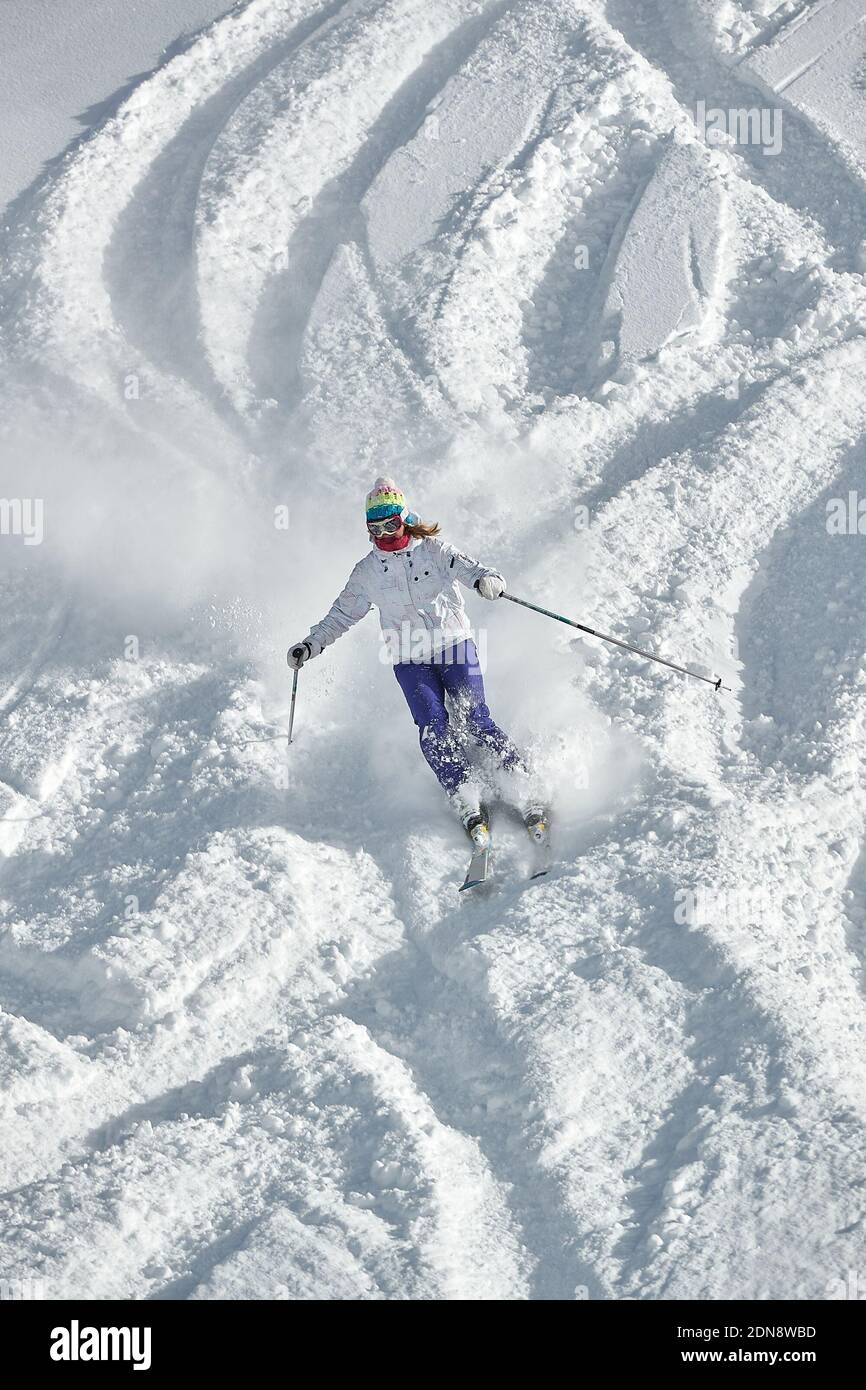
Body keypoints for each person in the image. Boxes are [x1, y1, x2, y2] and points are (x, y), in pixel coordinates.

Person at [288, 478, 545, 843]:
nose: (384, 534)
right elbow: (341, 615)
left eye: (390, 525)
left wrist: (489, 581)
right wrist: (311, 645)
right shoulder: (367, 572)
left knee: (473, 717)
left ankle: (523, 785)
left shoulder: (435, 551)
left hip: (454, 644)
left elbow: (474, 570)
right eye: (374, 528)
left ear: (404, 519)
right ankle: (465, 794)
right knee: (432, 726)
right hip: (409, 658)